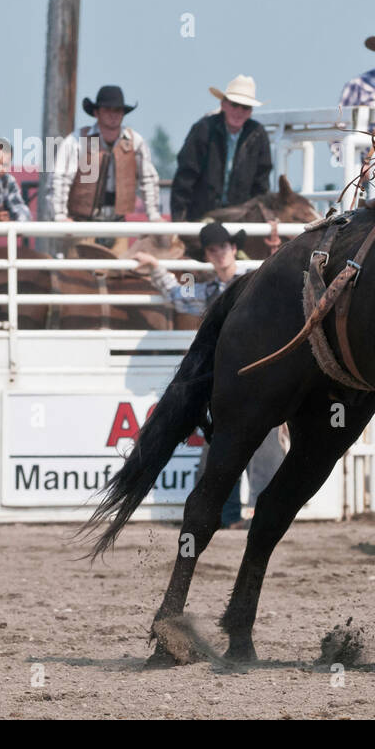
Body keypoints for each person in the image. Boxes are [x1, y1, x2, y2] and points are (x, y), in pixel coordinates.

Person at [132, 222, 281, 528]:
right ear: (209, 255)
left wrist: (275, 250)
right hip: (229, 378)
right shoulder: (215, 289)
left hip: (254, 373)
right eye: (214, 249)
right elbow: (177, 294)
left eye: (223, 246)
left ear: (232, 248)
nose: (220, 253)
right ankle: (224, 514)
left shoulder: (254, 281)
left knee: (253, 443)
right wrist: (156, 267)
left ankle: (253, 513)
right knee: (229, 443)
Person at [50, 84, 162, 224]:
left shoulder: (136, 142)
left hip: (118, 222)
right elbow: (60, 178)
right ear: (97, 113)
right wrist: (60, 216)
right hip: (81, 224)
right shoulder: (77, 140)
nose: (113, 115)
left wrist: (153, 214)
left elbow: (148, 179)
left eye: (117, 110)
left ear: (123, 113)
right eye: (107, 109)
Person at [170, 75, 272, 222]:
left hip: (241, 217)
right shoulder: (203, 129)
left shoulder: (258, 134)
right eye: (234, 105)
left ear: (251, 112)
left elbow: (261, 184)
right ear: (223, 104)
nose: (239, 111)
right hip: (201, 215)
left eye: (245, 107)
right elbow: (186, 176)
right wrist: (179, 219)